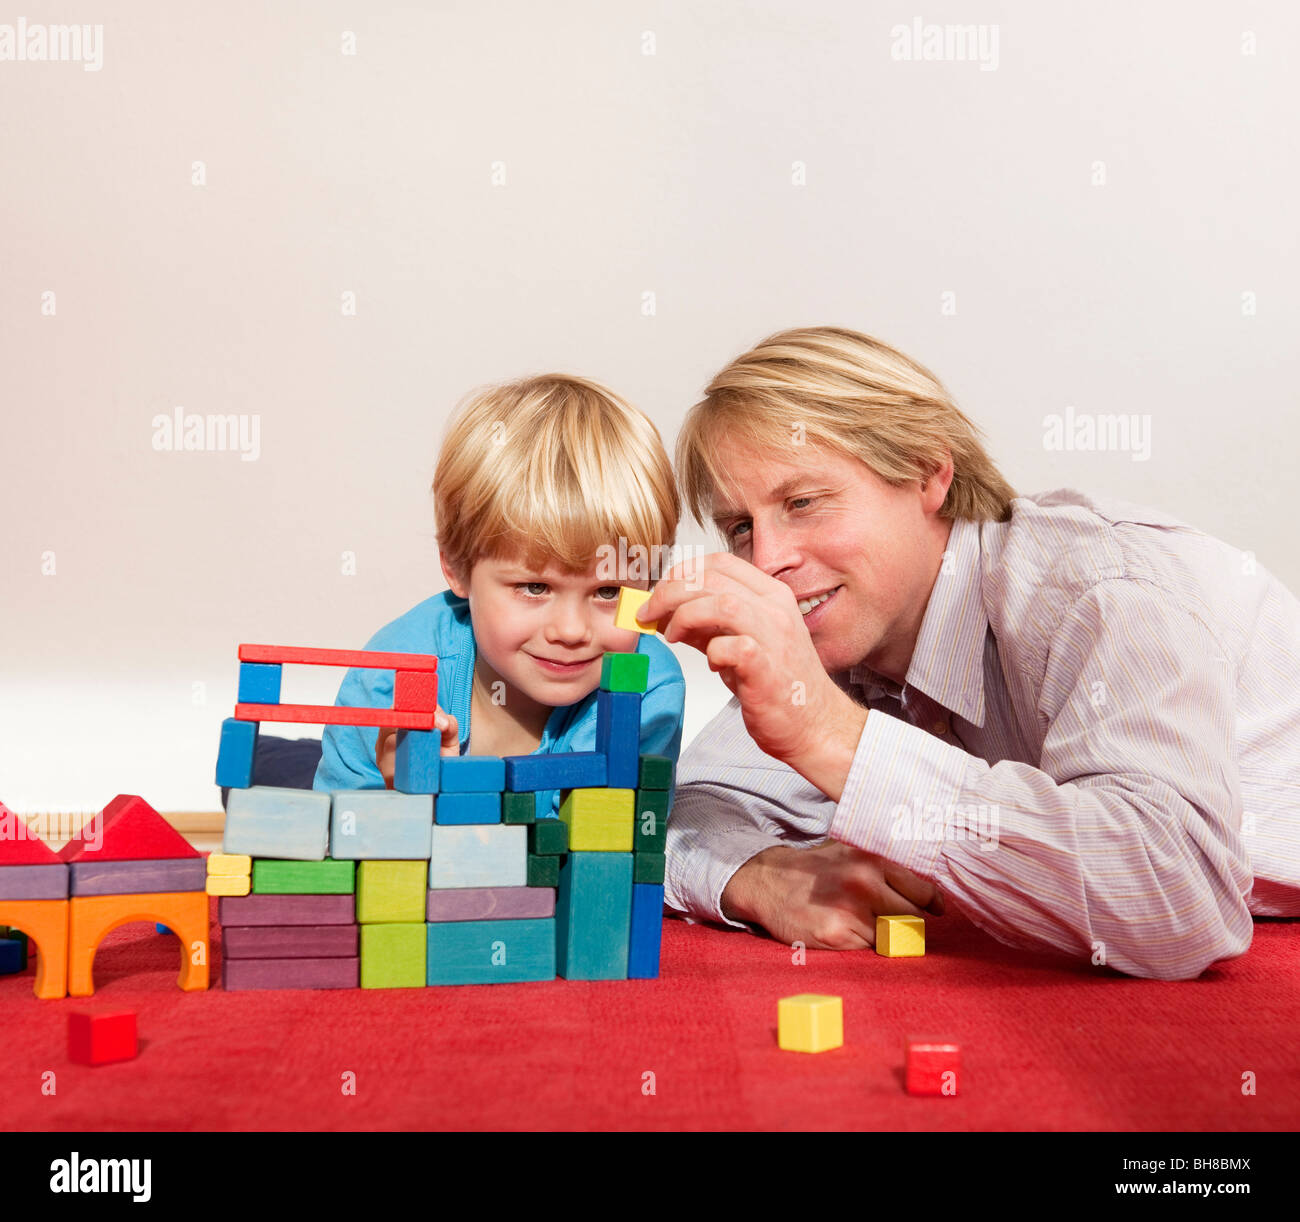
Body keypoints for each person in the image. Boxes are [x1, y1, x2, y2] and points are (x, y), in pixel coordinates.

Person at [643, 326, 1300, 981]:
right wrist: (757, 875)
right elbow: (683, 810)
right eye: (740, 528)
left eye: (803, 502)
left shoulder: (1099, 585)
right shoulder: (846, 629)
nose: (767, 561)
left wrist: (827, 734)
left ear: (930, 472)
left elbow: (1177, 899)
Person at [313, 374, 686, 811]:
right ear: (457, 568)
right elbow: (336, 838)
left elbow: (604, 853)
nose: (571, 630)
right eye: (534, 587)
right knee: (277, 774)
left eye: (608, 591)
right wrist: (406, 801)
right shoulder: (388, 675)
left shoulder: (648, 691)